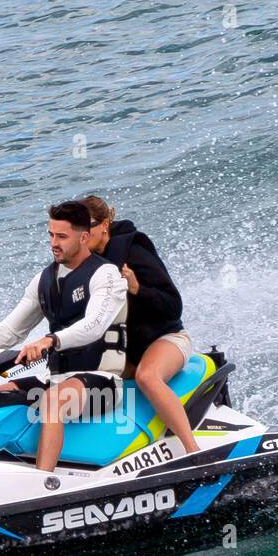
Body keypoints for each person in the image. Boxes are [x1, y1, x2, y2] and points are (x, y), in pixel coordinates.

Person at [0, 201, 127, 473]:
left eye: (62, 236)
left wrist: (50, 340)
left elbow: (94, 325)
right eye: (51, 235)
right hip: (52, 379)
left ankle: (43, 482)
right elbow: (11, 330)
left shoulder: (105, 274)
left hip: (102, 382)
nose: (54, 243)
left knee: (53, 400)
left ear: (84, 237)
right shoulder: (44, 279)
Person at [77, 195, 198, 454]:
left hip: (166, 339)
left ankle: (193, 451)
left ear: (105, 224)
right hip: (123, 352)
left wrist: (137, 288)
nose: (83, 235)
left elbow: (172, 305)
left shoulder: (133, 249)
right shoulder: (83, 264)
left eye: (88, 227)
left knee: (147, 377)